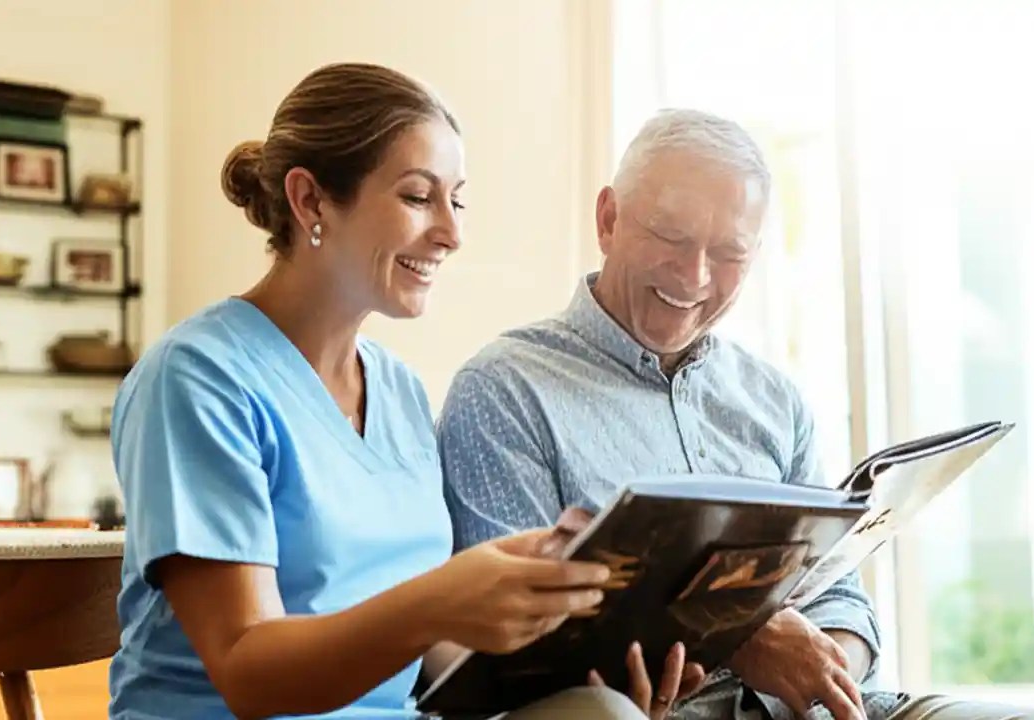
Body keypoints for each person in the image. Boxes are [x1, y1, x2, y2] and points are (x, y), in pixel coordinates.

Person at [436, 109, 1034, 720]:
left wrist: (826, 677)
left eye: (729, 254)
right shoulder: (505, 390)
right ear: (608, 218)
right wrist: (735, 636)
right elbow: (510, 652)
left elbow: (841, 599)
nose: (693, 277)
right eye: (670, 236)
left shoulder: (773, 401)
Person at [105, 62, 694, 720]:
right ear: (310, 202)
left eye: (457, 199)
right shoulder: (198, 378)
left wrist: (587, 665)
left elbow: (422, 653)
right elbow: (248, 672)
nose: (451, 231)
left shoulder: (400, 392)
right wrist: (440, 598)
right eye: (418, 197)